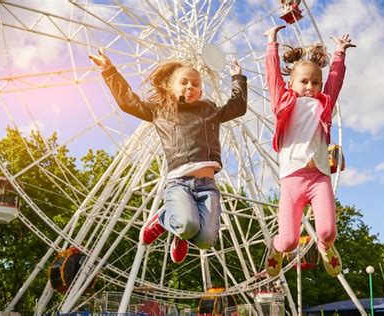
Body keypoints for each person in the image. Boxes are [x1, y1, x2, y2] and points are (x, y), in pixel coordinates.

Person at [89, 49, 247, 263]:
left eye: (195, 84)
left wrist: (237, 77)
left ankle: (177, 231)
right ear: (169, 87)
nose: (190, 87)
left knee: (204, 241)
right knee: (186, 225)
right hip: (179, 183)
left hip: (208, 185)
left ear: (200, 90)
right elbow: (128, 102)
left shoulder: (210, 110)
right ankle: (164, 220)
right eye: (184, 82)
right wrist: (110, 71)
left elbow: (238, 107)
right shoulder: (160, 112)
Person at [263, 25, 355, 277]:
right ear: (291, 83)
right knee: (290, 241)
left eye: (316, 82)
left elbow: (335, 83)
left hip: (319, 176)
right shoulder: (283, 102)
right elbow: (272, 77)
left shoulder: (323, 105)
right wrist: (272, 43)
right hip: (292, 178)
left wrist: (339, 54)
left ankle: (325, 247)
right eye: (304, 82)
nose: (310, 87)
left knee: (328, 232)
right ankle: (276, 246)